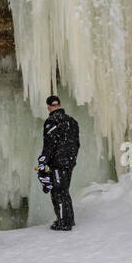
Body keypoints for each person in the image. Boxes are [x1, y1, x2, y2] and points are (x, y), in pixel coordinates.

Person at [39, 95, 80, 230]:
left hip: (57, 163)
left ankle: (63, 222)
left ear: (49, 107)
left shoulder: (51, 121)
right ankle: (69, 219)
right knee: (65, 190)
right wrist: (72, 159)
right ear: (60, 105)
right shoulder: (72, 121)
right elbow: (77, 143)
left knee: (57, 192)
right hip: (69, 162)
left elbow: (49, 145)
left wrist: (44, 161)